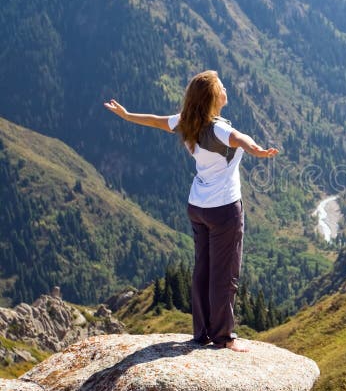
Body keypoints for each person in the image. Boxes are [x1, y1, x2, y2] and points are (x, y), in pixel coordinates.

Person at [104, 70, 278, 351]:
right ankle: (223, 336)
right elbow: (240, 139)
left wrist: (127, 116)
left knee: (202, 270)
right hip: (224, 210)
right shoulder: (218, 128)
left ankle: (201, 333)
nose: (225, 88)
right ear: (214, 97)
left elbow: (156, 121)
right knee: (225, 274)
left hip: (197, 206)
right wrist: (257, 151)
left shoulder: (187, 122)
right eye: (221, 86)